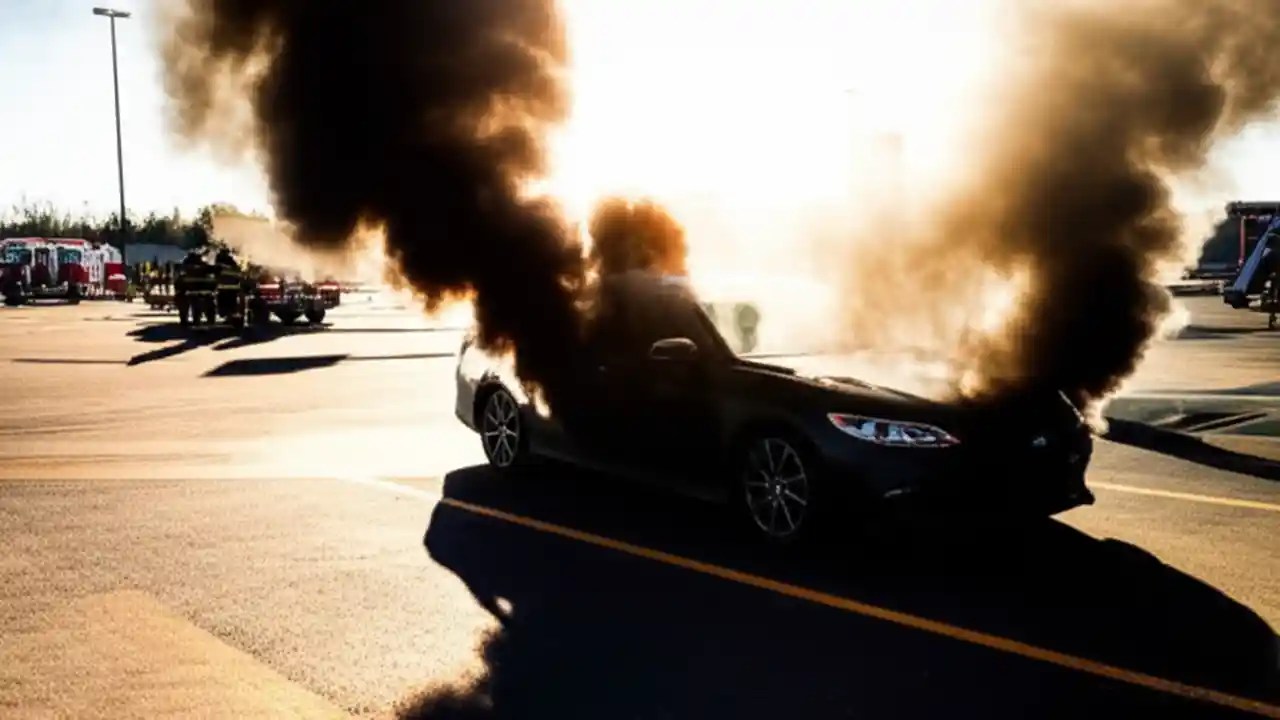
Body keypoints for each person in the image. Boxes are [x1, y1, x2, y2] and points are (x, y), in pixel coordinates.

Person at [175, 250, 216, 326]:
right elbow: (212, 278)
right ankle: (209, 320)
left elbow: (178, 281)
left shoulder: (184, 266)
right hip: (200, 291)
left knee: (183, 302)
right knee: (209, 304)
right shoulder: (204, 266)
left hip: (188, 291)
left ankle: (185, 320)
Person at [214, 248, 244, 324]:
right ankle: (231, 318)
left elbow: (216, 275)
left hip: (223, 288)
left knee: (224, 304)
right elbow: (239, 274)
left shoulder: (219, 264)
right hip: (233, 289)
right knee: (231, 304)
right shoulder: (233, 263)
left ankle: (229, 317)